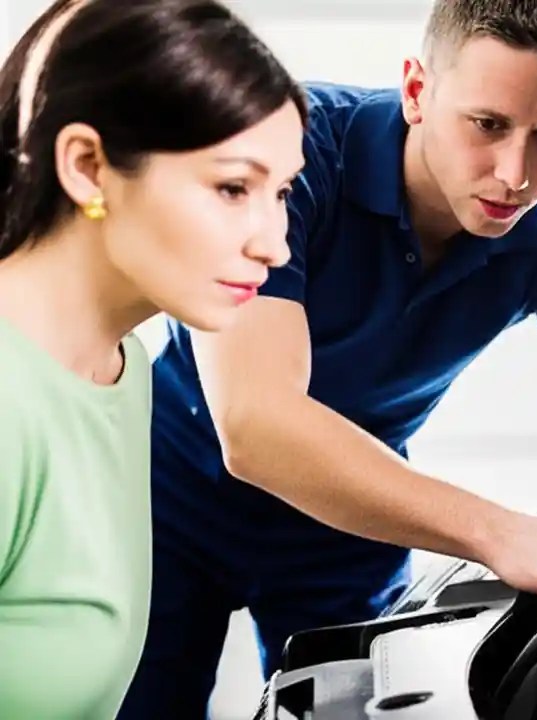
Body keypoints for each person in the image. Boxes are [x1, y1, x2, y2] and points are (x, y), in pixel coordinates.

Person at [121, 0, 537, 715]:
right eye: (488, 124)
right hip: (168, 504)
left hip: (356, 518)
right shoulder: (286, 159)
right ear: (416, 90)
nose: (515, 174)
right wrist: (500, 532)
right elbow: (256, 425)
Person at [0, 0, 306, 717]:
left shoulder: (123, 366)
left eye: (282, 192)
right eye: (233, 187)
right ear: (87, 167)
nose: (275, 245)